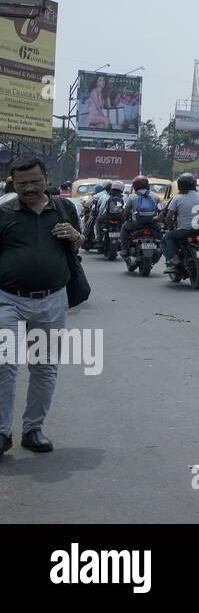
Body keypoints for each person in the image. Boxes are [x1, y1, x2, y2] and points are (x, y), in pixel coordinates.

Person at [0, 156, 83, 458]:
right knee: (4, 365)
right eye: (23, 184)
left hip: (51, 301)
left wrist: (76, 237)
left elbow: (79, 242)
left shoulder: (64, 208)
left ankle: (33, 429)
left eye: (35, 181)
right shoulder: (4, 212)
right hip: (7, 301)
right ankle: (1, 433)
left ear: (46, 179)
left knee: (44, 367)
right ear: (14, 184)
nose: (30, 188)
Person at [163, 172, 199, 267]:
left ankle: (175, 258)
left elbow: (168, 217)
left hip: (185, 231)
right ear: (194, 184)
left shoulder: (177, 198)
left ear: (180, 185)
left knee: (168, 236)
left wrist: (171, 228)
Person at [120, 175, 161, 252]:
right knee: (160, 231)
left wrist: (126, 219)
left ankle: (124, 250)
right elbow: (160, 211)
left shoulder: (132, 197)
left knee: (124, 229)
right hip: (152, 223)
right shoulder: (155, 196)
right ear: (147, 185)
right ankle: (161, 248)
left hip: (136, 224)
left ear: (135, 186)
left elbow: (125, 213)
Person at [93, 180, 128, 245]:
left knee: (97, 221)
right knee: (125, 225)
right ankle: (123, 240)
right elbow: (126, 208)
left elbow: (101, 208)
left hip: (107, 216)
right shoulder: (125, 197)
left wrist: (100, 214)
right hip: (120, 217)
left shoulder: (105, 196)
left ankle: (98, 237)